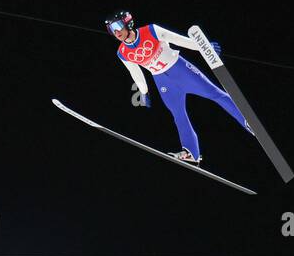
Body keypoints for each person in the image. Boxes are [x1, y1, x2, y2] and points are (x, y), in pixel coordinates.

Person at [105, 10, 254, 165]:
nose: (115, 31)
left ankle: (247, 121)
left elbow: (179, 40)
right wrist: (144, 92)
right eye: (110, 29)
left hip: (180, 70)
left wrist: (205, 48)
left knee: (216, 94)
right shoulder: (122, 52)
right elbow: (135, 72)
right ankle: (192, 153)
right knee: (178, 114)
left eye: (117, 25)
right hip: (162, 81)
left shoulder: (151, 30)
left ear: (127, 22)